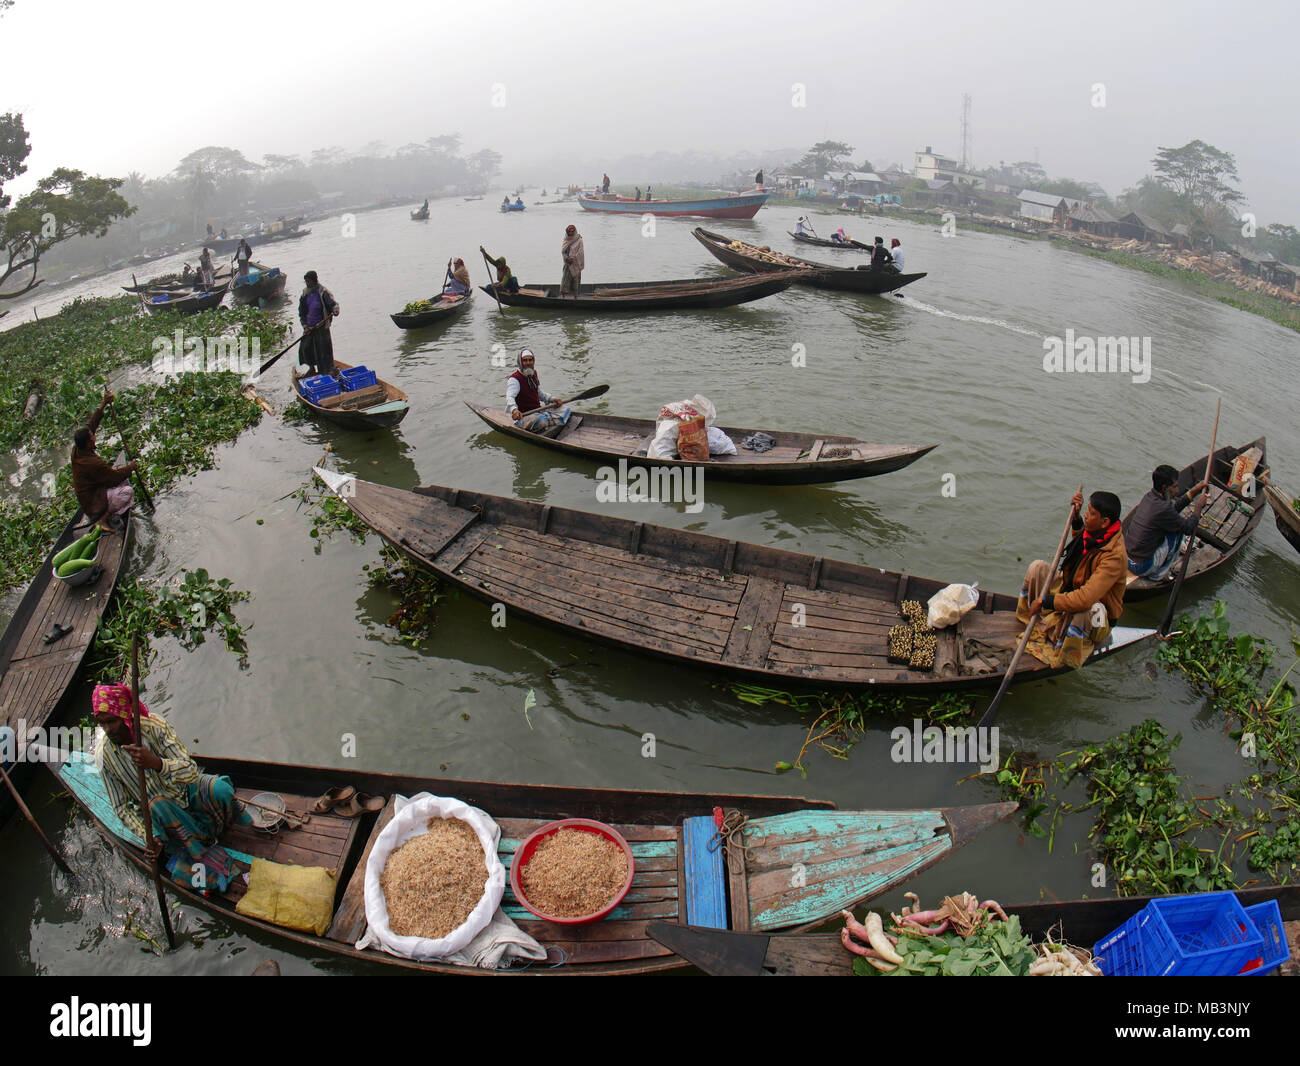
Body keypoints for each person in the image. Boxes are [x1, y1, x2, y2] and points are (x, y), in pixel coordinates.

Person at [91, 683, 251, 894]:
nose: (108, 730)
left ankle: (224, 825)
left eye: (112, 721)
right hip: (166, 820)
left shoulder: (154, 727)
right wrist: (147, 836)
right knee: (158, 805)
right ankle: (199, 848)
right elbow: (121, 806)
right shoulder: (105, 756)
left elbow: (190, 770)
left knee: (219, 788)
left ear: (126, 716)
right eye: (103, 724)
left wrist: (157, 763)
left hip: (186, 794)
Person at [1018, 489, 1128, 670]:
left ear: (1105, 522)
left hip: (1097, 617)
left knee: (1086, 609)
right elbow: (1082, 550)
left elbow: (1085, 599)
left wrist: (1046, 601)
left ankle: (1065, 651)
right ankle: (1029, 620)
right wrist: (1076, 517)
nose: (1086, 514)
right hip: (1073, 590)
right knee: (1037, 568)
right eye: (1088, 510)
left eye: (1091, 513)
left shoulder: (1114, 557)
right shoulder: (1097, 534)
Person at [71, 390, 137, 532]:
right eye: (92, 437)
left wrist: (104, 403)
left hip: (93, 494)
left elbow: (91, 425)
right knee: (128, 491)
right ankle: (103, 518)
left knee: (124, 480)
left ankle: (105, 514)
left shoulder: (77, 449)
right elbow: (113, 478)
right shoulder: (92, 463)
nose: (94, 437)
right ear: (88, 443)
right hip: (94, 504)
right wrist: (131, 467)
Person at [1126, 466, 1207, 581]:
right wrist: (1198, 508)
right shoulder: (1163, 508)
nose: (1177, 490)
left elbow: (1172, 511)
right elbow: (1188, 528)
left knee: (1174, 524)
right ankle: (1158, 575)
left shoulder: (1149, 497)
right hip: (1141, 567)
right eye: (1174, 487)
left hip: (1127, 559)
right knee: (1177, 532)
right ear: (1165, 488)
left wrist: (1193, 493)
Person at [506, 348, 570, 438]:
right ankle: (547, 421)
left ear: (533, 361)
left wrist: (552, 399)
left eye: (530, 360)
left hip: (538, 410)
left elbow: (539, 393)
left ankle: (547, 420)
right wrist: (514, 410)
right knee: (540, 420)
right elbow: (510, 397)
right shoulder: (514, 379)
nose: (528, 363)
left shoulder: (533, 373)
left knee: (565, 409)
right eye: (525, 360)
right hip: (524, 416)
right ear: (520, 362)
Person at [298, 270, 341, 376]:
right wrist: (305, 326)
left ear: (314, 281)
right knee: (305, 349)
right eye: (306, 282)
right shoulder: (304, 294)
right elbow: (302, 313)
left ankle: (327, 370)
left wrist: (335, 310)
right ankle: (311, 368)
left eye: (309, 281)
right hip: (309, 328)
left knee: (324, 351)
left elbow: (333, 305)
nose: (307, 284)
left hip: (321, 327)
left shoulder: (322, 292)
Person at [561, 224, 584, 297]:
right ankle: (563, 296)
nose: (571, 233)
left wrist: (573, 258)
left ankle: (575, 297)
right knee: (565, 281)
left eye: (572, 231)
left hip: (576, 263)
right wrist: (567, 258)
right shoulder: (566, 239)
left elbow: (580, 253)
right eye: (569, 231)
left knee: (575, 281)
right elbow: (563, 251)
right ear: (567, 232)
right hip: (568, 263)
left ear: (574, 231)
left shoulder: (579, 239)